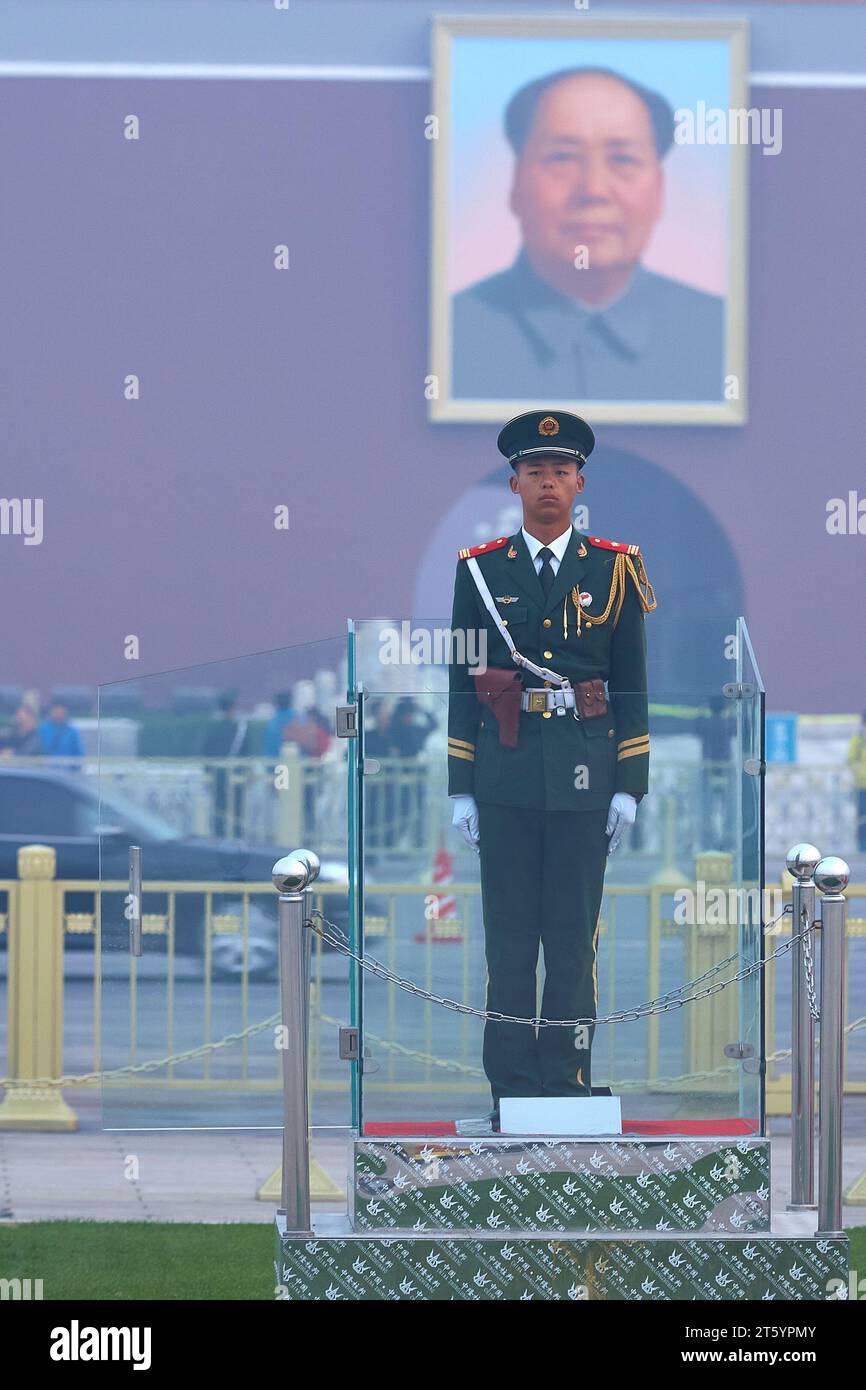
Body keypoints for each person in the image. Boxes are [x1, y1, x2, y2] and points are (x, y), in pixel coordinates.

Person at [447, 409, 655, 1130]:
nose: (547, 484)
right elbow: (461, 681)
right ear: (514, 482)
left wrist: (630, 784)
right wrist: (461, 786)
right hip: (503, 775)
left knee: (571, 938)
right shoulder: (478, 570)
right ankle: (510, 1087)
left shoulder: (614, 567)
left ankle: (563, 1083)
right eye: (534, 472)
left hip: (585, 778)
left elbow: (631, 683)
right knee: (509, 939)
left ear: (579, 483)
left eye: (560, 472)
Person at [452, 67, 723, 403]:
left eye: (623, 159)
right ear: (516, 184)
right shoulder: (447, 337)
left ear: (659, 191)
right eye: (562, 158)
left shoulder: (727, 339)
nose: (593, 190)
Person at [847, 711, 866, 853]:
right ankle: (862, 846)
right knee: (862, 818)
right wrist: (859, 773)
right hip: (862, 785)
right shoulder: (859, 738)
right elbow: (851, 758)